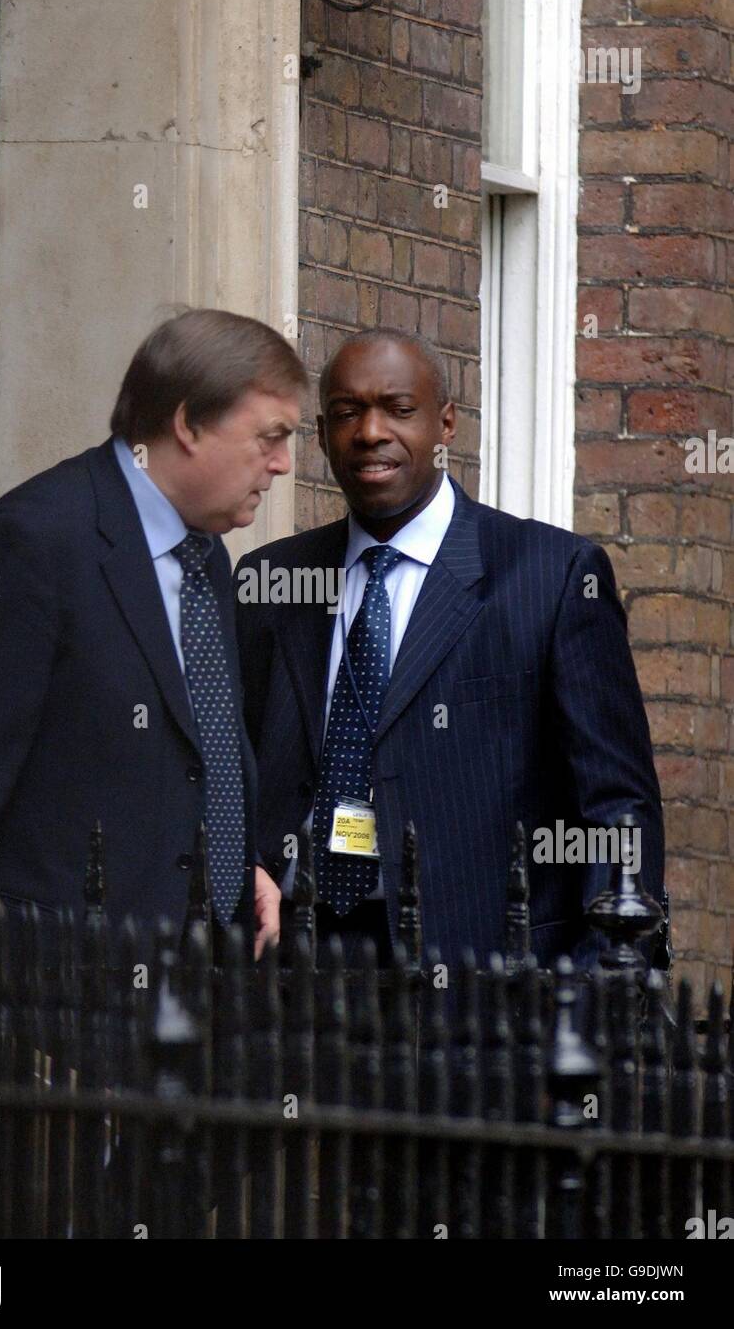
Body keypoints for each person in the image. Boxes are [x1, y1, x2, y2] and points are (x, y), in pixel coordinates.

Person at [0, 308, 303, 973]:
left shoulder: (208, 560)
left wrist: (237, 862)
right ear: (189, 423)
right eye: (270, 437)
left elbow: (195, 751)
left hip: (202, 980)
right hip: (56, 998)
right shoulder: (33, 544)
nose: (283, 463)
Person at [234, 327, 664, 970]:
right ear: (322, 433)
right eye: (347, 413)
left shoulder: (551, 576)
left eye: (399, 410)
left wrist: (598, 982)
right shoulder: (271, 582)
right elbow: (224, 771)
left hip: (481, 980)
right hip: (297, 971)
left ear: (447, 424)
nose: (371, 432)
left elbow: (614, 804)